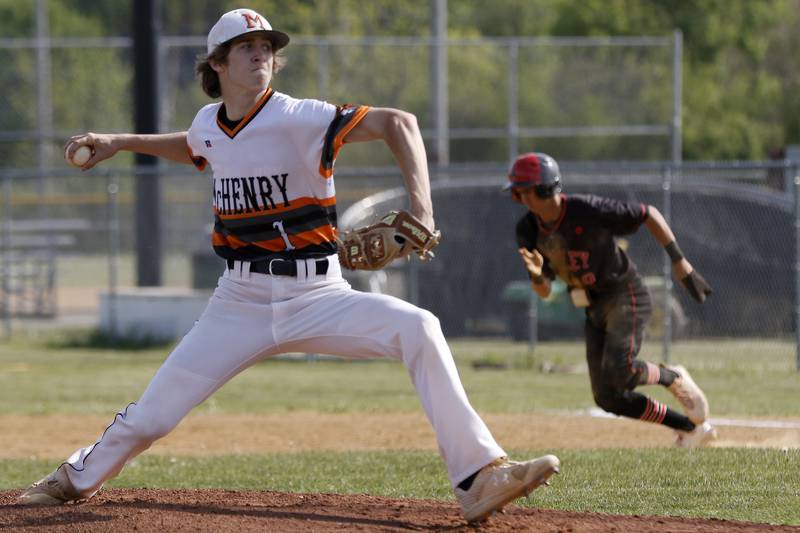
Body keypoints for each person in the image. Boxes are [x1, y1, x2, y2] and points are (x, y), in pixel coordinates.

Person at [18, 9, 559, 524]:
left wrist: (423, 209)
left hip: (320, 295)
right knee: (154, 417)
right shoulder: (208, 123)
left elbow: (402, 123)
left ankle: (477, 480)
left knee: (420, 327)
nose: (260, 55)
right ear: (217, 65)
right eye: (245, 47)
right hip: (239, 302)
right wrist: (118, 142)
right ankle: (73, 478)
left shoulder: (302, 117)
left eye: (266, 47)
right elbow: (195, 147)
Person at [506, 152, 717, 448]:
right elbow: (543, 291)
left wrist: (679, 262)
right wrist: (538, 276)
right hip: (592, 306)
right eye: (517, 193)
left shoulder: (587, 210)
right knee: (607, 397)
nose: (521, 199)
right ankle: (690, 429)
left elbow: (649, 214)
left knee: (620, 369)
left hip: (623, 292)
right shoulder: (527, 230)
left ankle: (671, 376)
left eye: (525, 190)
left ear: (545, 187)